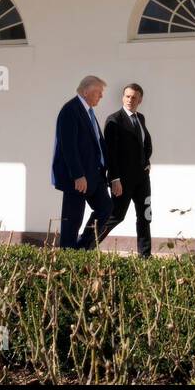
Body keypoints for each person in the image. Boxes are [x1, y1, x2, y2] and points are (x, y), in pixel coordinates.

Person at [52, 75, 113, 250]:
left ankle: (82, 248)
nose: (101, 96)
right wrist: (78, 175)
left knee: (105, 208)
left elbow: (96, 143)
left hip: (94, 175)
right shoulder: (70, 110)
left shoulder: (88, 112)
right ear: (86, 92)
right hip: (78, 179)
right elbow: (68, 147)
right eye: (98, 92)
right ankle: (68, 256)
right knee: (72, 221)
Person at [99, 82, 153, 257]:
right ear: (123, 97)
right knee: (115, 216)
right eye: (127, 96)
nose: (130, 100)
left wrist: (147, 160)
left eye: (134, 97)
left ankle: (145, 256)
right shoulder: (114, 120)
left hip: (142, 179)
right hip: (122, 180)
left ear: (140, 100)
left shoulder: (141, 118)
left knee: (145, 217)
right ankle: (86, 244)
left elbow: (144, 143)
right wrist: (114, 179)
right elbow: (110, 153)